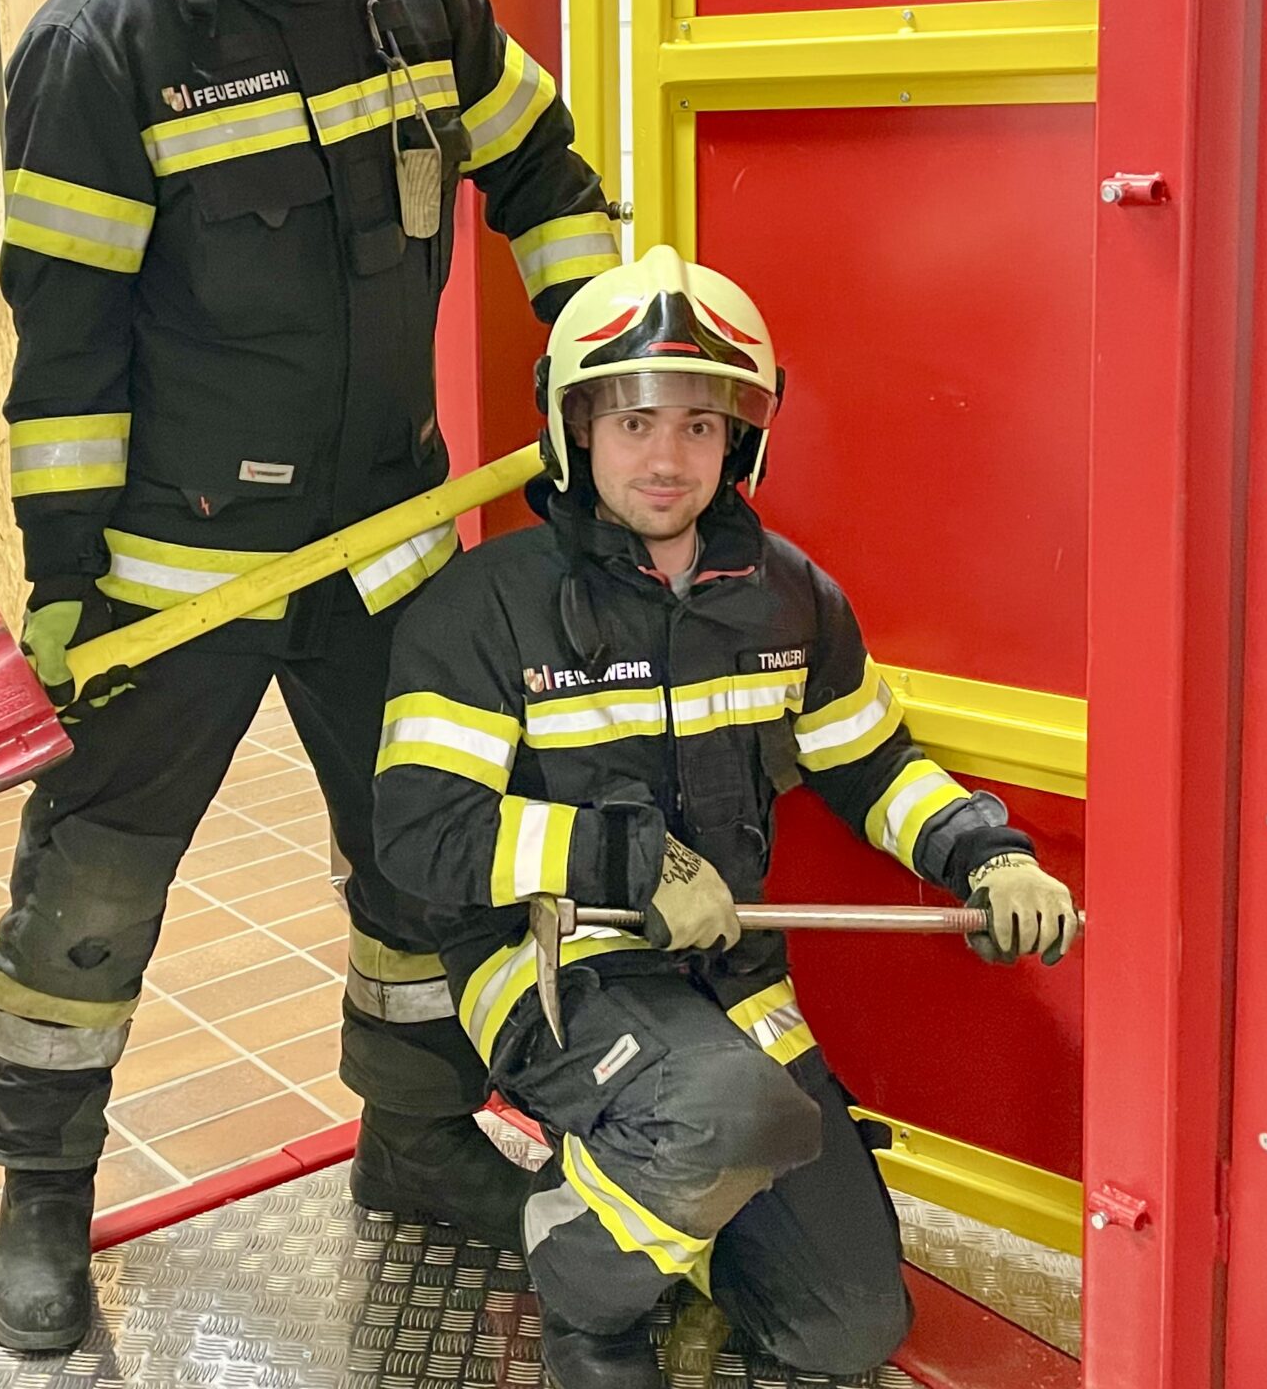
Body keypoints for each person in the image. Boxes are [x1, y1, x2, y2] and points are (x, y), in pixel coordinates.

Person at [0, 0, 624, 1351]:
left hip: (393, 543)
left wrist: (599, 380)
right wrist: (59, 576)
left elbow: (553, 180)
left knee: (421, 862)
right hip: (175, 566)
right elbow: (63, 354)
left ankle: (414, 1141)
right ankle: (43, 1202)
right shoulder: (104, 43)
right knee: (95, 890)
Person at [370, 246, 1082, 1389]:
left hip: (733, 986)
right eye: (636, 419)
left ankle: (664, 1184)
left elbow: (871, 765)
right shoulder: (481, 608)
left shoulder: (790, 595)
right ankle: (583, 1293)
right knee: (723, 1109)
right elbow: (421, 832)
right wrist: (628, 865)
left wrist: (987, 854)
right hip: (556, 969)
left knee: (841, 1325)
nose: (666, 456)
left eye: (699, 425)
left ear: (738, 438)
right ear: (575, 428)